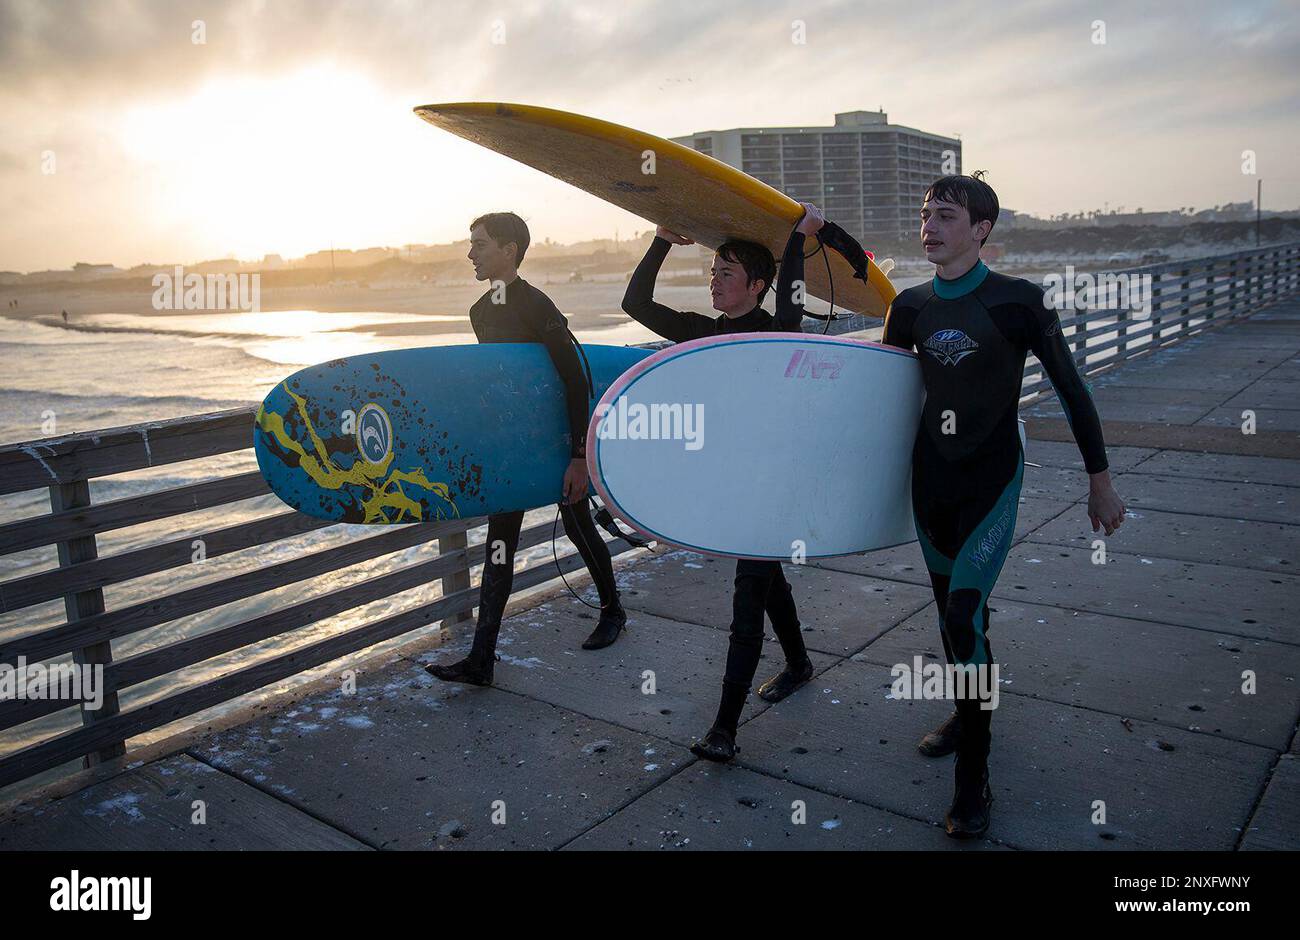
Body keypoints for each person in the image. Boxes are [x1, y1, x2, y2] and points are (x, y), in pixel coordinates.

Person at [792, 173, 1125, 838]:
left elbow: (1071, 388)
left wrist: (1100, 479)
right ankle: (967, 709)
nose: (930, 225)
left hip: (991, 480)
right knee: (953, 622)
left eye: (946, 215)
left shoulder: (1019, 303)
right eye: (925, 214)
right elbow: (881, 407)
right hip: (931, 483)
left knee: (966, 613)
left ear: (981, 230)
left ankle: (973, 783)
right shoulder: (910, 308)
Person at [619, 218, 832, 761]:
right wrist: (663, 240)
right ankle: (800, 664)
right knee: (766, 580)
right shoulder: (701, 332)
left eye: (727, 273)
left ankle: (725, 729)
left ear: (757, 284)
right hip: (731, 480)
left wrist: (796, 239)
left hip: (774, 481)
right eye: (713, 271)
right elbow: (635, 302)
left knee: (746, 597)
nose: (715, 281)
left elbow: (792, 301)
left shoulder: (777, 327)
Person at [426, 212, 627, 687]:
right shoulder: (480, 311)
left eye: (479, 244)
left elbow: (576, 380)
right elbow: (500, 387)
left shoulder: (538, 306)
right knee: (500, 545)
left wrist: (578, 456)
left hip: (558, 442)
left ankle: (613, 610)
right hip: (512, 450)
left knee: (579, 528)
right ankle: (482, 658)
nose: (470, 253)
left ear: (509, 249)